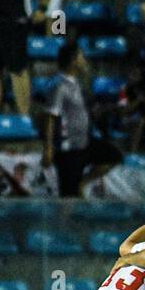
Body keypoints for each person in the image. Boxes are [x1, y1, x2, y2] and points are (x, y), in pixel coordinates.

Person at [43, 40, 92, 197]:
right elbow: (51, 117)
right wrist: (49, 147)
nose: (85, 60)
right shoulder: (59, 85)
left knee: (112, 155)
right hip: (67, 147)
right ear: (73, 61)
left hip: (82, 144)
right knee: (68, 195)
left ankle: (83, 183)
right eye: (82, 57)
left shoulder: (77, 83)